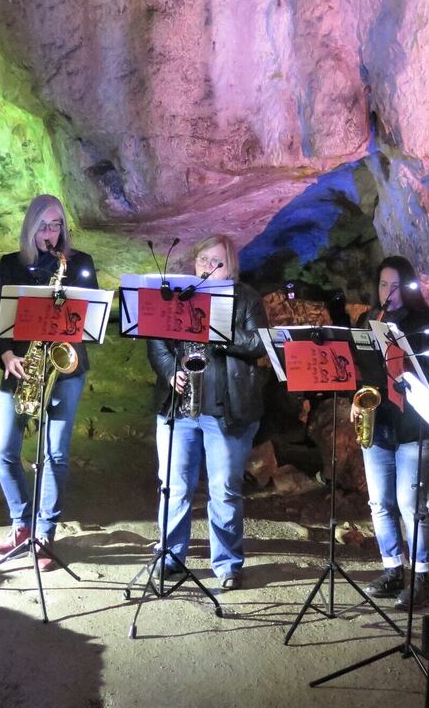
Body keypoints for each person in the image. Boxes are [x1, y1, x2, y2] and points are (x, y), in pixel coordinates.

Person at [146, 234, 266, 590]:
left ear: (231, 267)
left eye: (218, 262)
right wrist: (171, 372)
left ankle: (227, 564)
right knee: (174, 486)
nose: (209, 268)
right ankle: (170, 557)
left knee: (224, 489)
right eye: (203, 261)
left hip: (226, 411)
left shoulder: (247, 299)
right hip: (179, 409)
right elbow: (156, 340)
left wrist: (220, 332)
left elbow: (260, 342)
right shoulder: (180, 294)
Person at [0, 194, 97, 569]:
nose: (50, 233)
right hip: (21, 365)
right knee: (2, 448)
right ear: (30, 227)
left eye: (56, 226)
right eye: (43, 226)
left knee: (54, 453)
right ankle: (21, 522)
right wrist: (6, 354)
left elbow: (86, 320)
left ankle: (45, 531)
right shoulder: (10, 265)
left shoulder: (79, 263)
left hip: (64, 368)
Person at [357, 256, 429, 610]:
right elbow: (359, 371)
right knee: (379, 502)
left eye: (396, 285)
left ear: (410, 288)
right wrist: (357, 399)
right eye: (383, 285)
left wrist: (411, 360)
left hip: (416, 427)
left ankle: (421, 576)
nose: (389, 292)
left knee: (411, 504)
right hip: (379, 423)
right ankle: (392, 568)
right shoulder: (368, 321)